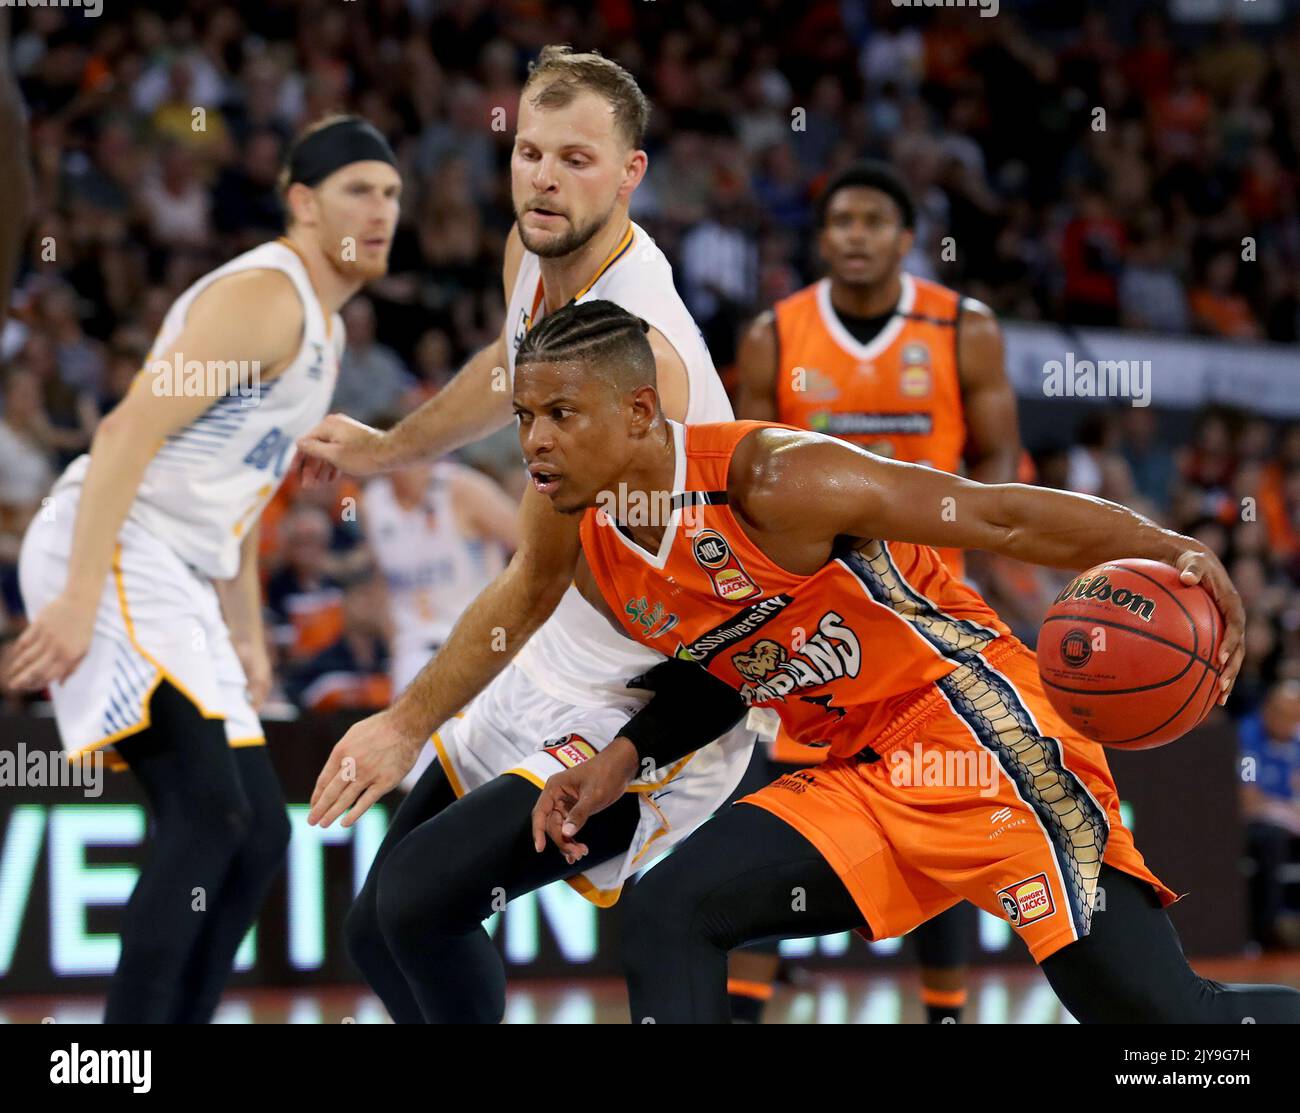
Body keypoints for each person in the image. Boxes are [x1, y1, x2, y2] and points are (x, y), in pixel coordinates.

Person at [450, 297, 1289, 1023]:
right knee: (673, 909)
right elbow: (725, 675)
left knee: (1168, 1026)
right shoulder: (603, 547)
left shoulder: (776, 479)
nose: (534, 441)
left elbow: (995, 517)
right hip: (863, 767)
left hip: (980, 728)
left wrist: (1163, 543)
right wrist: (620, 760)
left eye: (560, 414)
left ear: (638, 411)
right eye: (523, 417)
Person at [297, 47, 753, 1025]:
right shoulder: (534, 252)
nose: (543, 177)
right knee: (375, 930)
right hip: (559, 655)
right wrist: (391, 450)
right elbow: (505, 367)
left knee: (420, 910)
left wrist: (405, 722)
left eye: (576, 159)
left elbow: (537, 576)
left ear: (632, 173)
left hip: (663, 689)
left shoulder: (628, 343)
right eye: (530, 151)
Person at [3, 115, 401, 1023]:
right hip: (111, 540)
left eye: (390, 194)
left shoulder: (326, 337)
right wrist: (74, 597)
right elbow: (125, 431)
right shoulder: (267, 295)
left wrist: (248, 636)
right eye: (357, 191)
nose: (381, 211)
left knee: (258, 830)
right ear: (302, 202)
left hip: (177, 565)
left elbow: (240, 498)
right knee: (211, 815)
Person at [731, 159, 1022, 1022]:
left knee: (942, 814)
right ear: (823, 240)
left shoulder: (964, 326)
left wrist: (977, 530)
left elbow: (998, 454)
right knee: (773, 811)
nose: (855, 235)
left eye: (872, 220)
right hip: (816, 617)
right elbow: (743, 466)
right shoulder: (773, 335)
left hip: (933, 611)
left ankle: (945, 1011)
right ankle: (745, 1004)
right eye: (841, 222)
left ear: (905, 236)